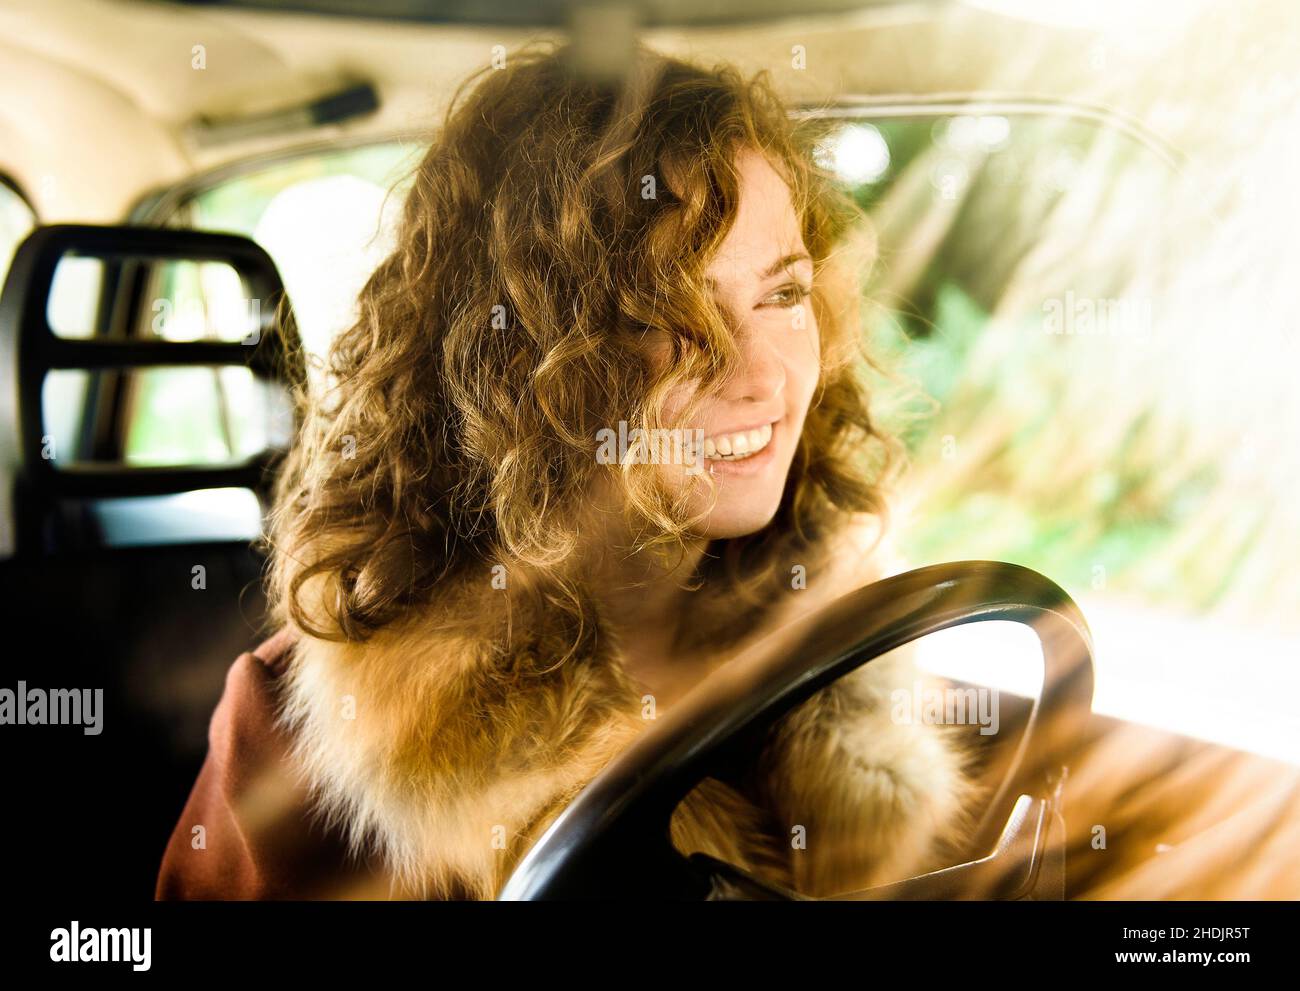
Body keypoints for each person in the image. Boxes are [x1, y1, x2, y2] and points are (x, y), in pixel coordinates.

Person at [156, 40, 980, 901]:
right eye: (664, 315)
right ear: (510, 361)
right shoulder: (294, 738)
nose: (764, 377)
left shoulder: (850, 633)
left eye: (783, 294)